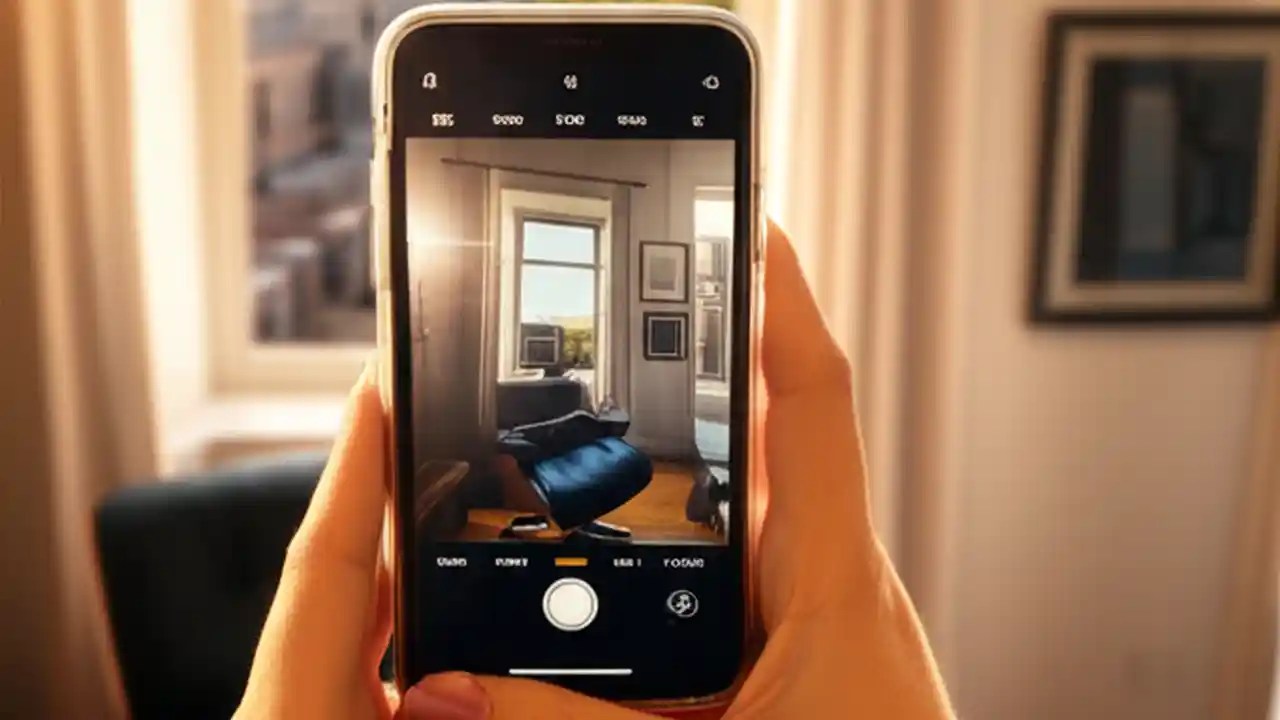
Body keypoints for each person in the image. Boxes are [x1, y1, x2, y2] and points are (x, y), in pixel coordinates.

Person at [234, 223, 955, 720]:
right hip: (537, 468)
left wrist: (589, 420)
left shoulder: (568, 390)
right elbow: (516, 440)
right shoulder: (487, 398)